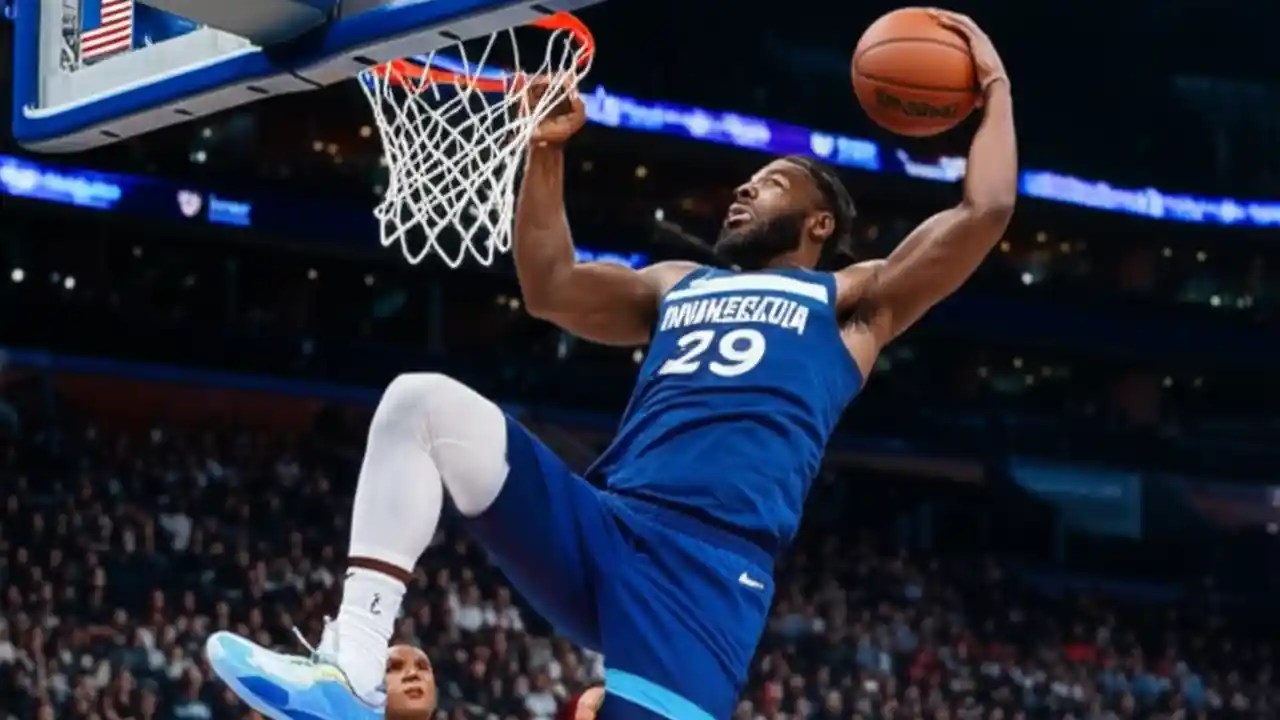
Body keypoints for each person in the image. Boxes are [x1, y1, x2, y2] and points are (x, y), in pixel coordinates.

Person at [206, 10, 1014, 720]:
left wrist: (994, 86)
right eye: (745, 183)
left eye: (768, 185)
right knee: (420, 402)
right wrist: (545, 151)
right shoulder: (675, 284)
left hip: (704, 573)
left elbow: (985, 209)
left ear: (818, 223)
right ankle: (351, 669)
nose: (742, 193)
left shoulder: (854, 300)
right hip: (605, 525)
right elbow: (550, 287)